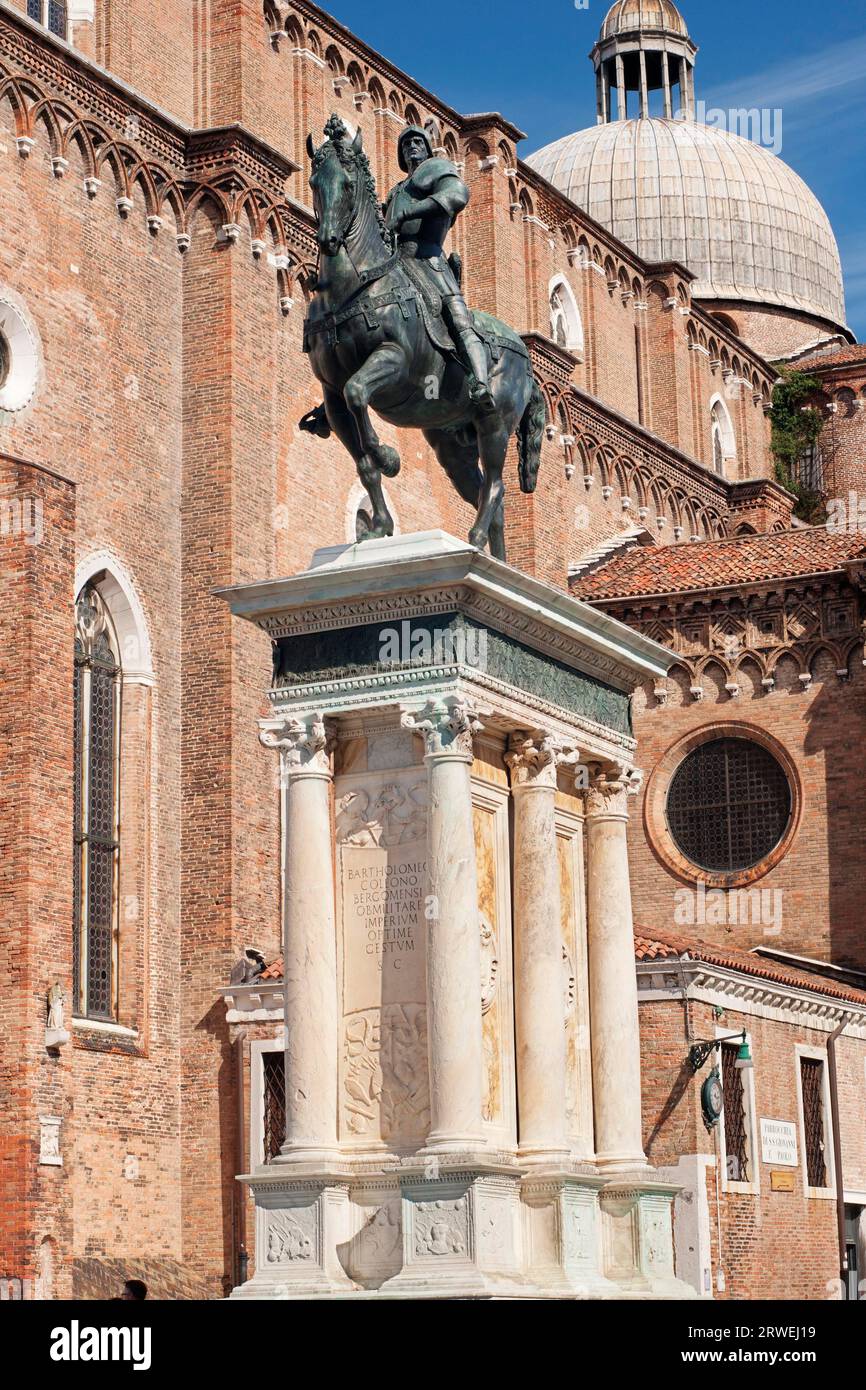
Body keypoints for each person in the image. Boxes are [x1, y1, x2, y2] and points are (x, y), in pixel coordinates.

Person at [384, 125, 495, 411]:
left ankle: (480, 382)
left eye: (417, 141)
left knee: (458, 319)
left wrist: (410, 211)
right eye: (405, 143)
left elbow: (458, 195)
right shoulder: (397, 190)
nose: (411, 146)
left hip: (429, 260)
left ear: (427, 147)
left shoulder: (437, 169)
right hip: (397, 260)